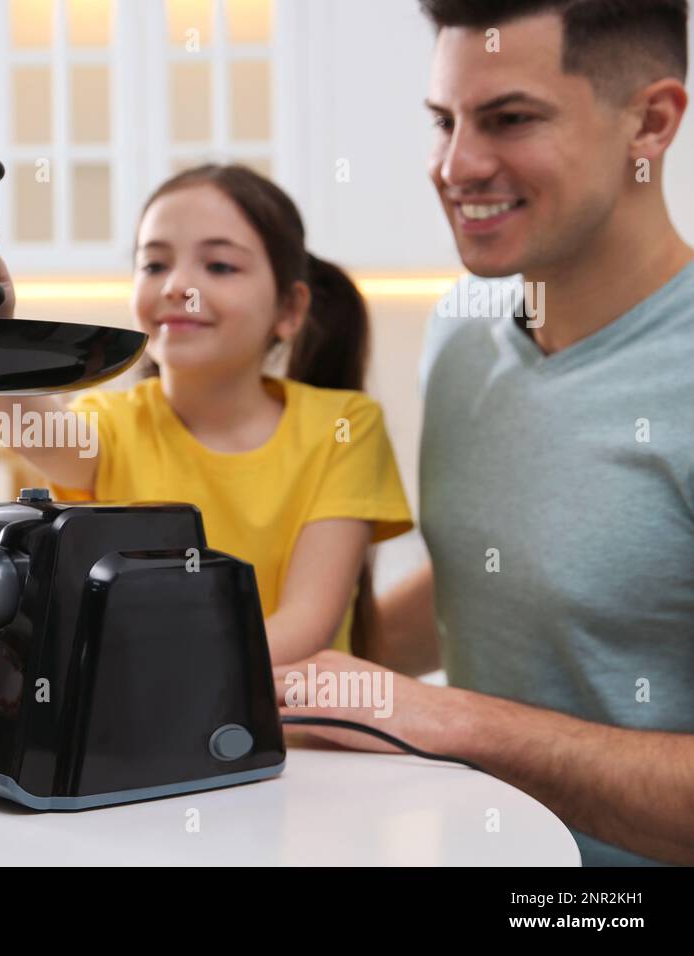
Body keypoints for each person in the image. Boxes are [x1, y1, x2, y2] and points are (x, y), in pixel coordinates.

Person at [279, 0, 694, 865]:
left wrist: (443, 719)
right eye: (443, 121)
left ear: (650, 123)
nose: (455, 165)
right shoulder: (462, 330)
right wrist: (265, 663)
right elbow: (498, 578)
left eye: (509, 119)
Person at [0, 165, 413, 664]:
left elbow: (305, 627)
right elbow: (20, 413)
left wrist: (161, 673)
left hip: (295, 740)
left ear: (290, 309)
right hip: (135, 734)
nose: (178, 286)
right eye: (154, 265)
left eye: (219, 266)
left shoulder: (343, 427)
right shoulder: (109, 425)